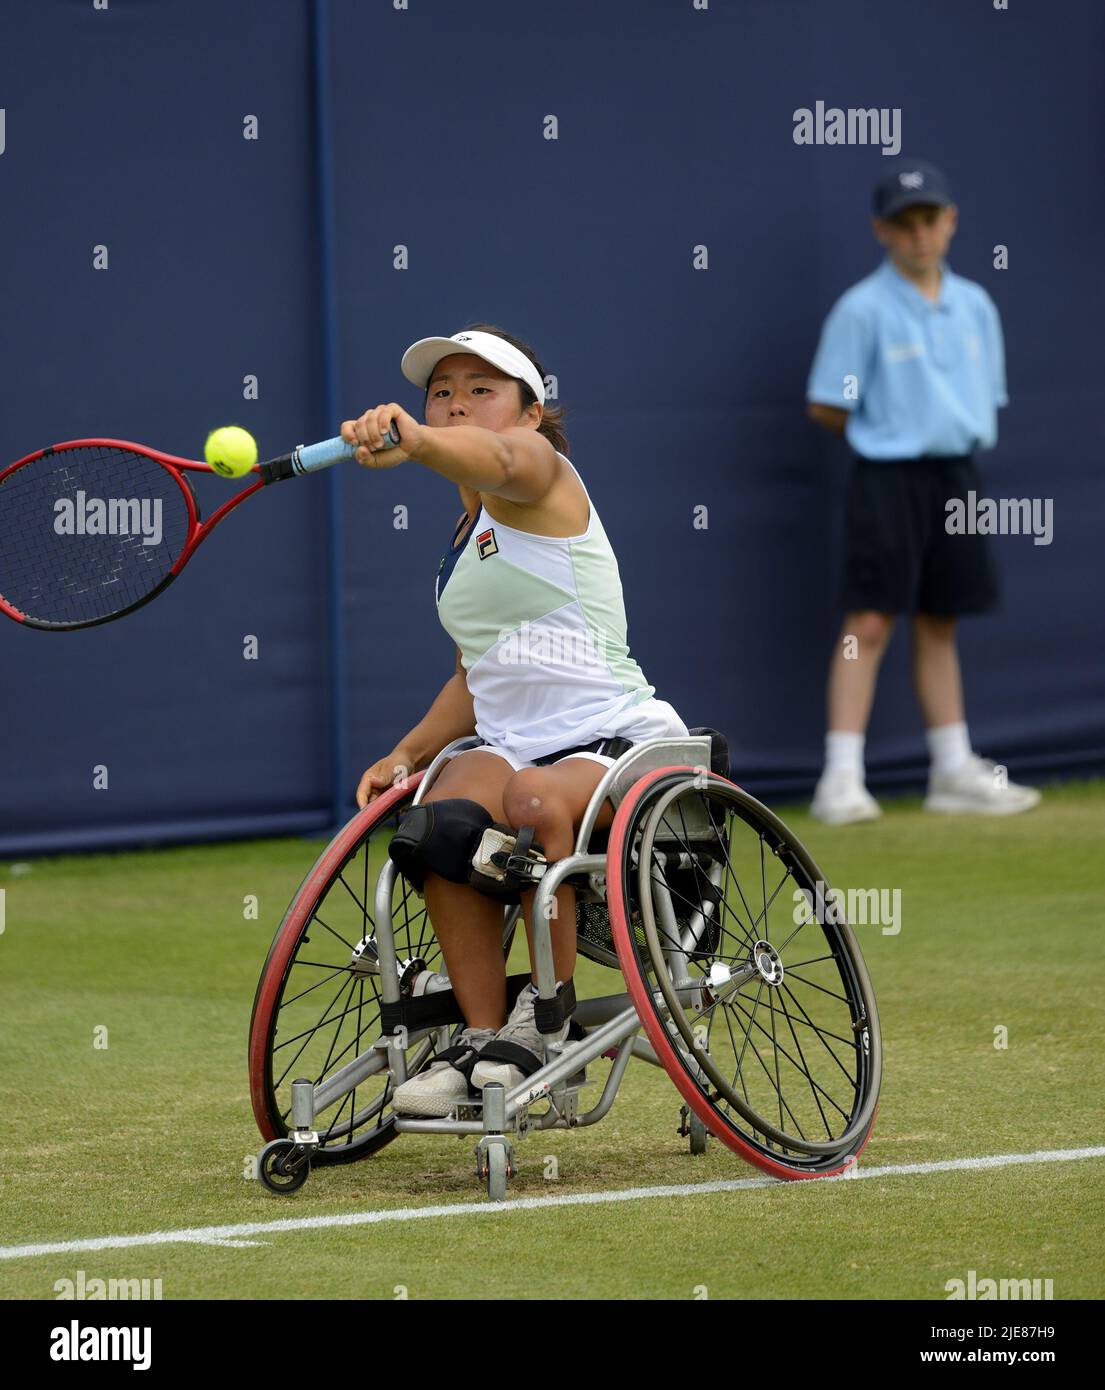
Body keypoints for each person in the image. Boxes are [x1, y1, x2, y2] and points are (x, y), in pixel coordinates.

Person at [341, 324, 689, 1115]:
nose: (457, 403)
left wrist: (422, 437)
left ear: (530, 412)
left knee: (532, 800)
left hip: (611, 737)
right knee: (438, 820)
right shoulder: (467, 540)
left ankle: (546, 1015)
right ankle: (480, 1036)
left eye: (480, 390)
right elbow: (476, 672)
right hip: (509, 740)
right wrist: (405, 751)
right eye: (442, 391)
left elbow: (493, 460)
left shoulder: (539, 470)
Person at [805, 159, 1041, 824]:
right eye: (904, 224)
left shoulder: (974, 305)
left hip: (956, 474)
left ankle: (951, 770)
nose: (919, 235)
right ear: (882, 229)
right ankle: (841, 778)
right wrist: (888, 425)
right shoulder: (861, 310)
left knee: (940, 620)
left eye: (930, 220)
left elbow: (982, 395)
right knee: (869, 621)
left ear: (950, 222)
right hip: (886, 477)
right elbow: (828, 404)